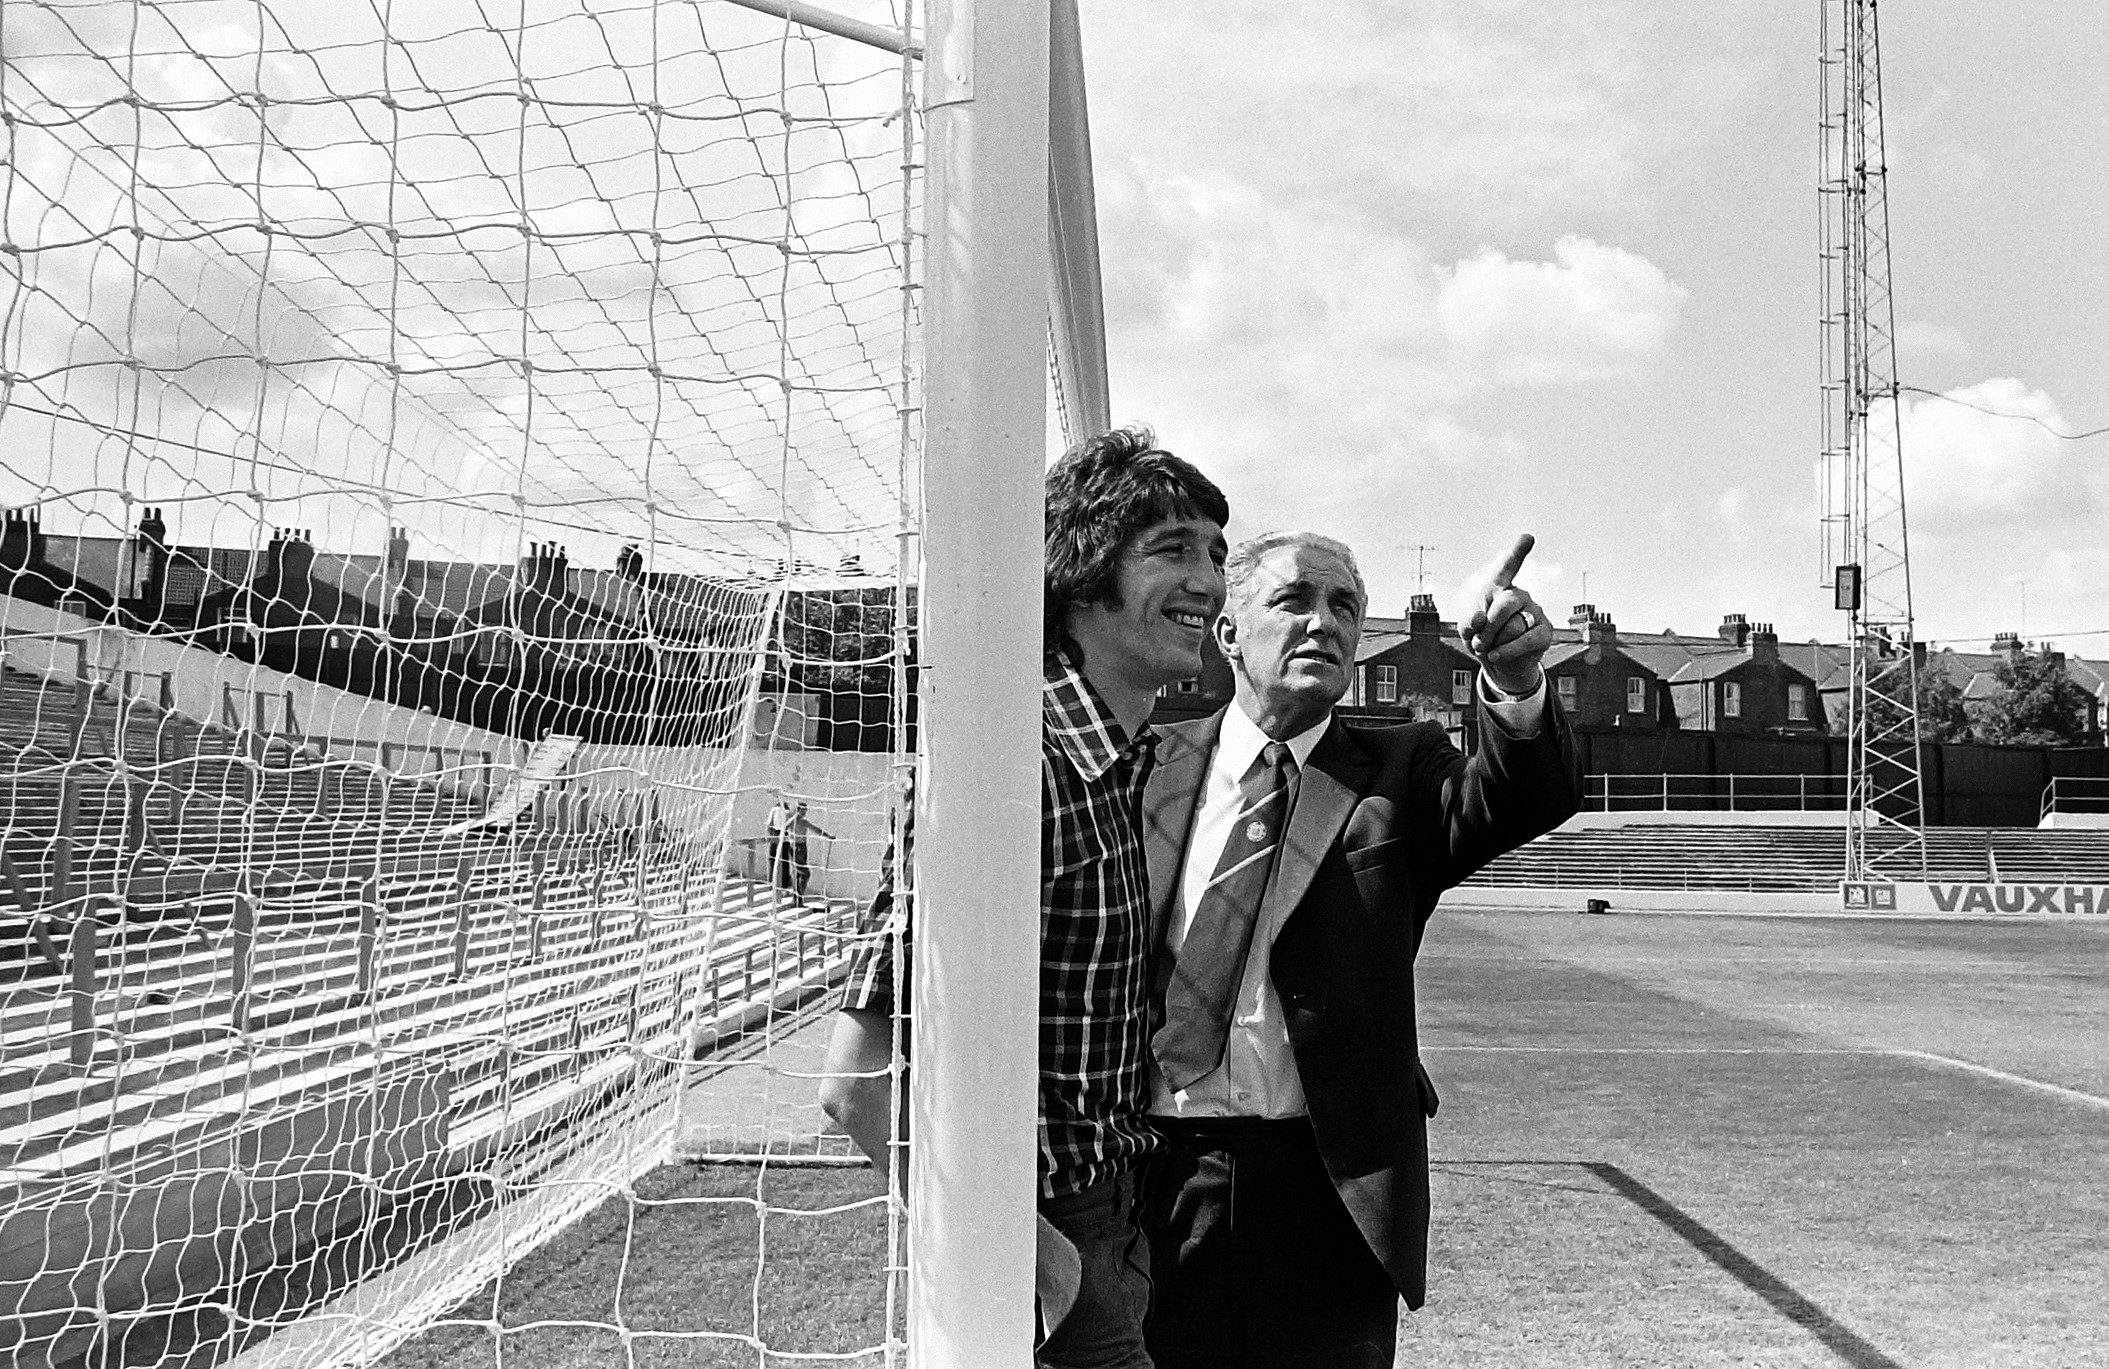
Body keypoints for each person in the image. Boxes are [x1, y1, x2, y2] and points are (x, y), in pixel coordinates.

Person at [818, 425, 1231, 1368]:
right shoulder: (1011, 760)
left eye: (1214, 550)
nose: (1207, 577)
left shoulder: (1120, 763)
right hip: (1040, 1237)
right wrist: (1047, 1270)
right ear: (1082, 577)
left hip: (1118, 1212)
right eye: (1171, 549)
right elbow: (857, 1084)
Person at [1136, 530, 1581, 1369]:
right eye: (1294, 600)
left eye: (1344, 604)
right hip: (1156, 1177)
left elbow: (1520, 792)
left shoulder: (1398, 769)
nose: (1325, 623)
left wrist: (1513, 680)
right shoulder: (1146, 765)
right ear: (1227, 632)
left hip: (1328, 1190)